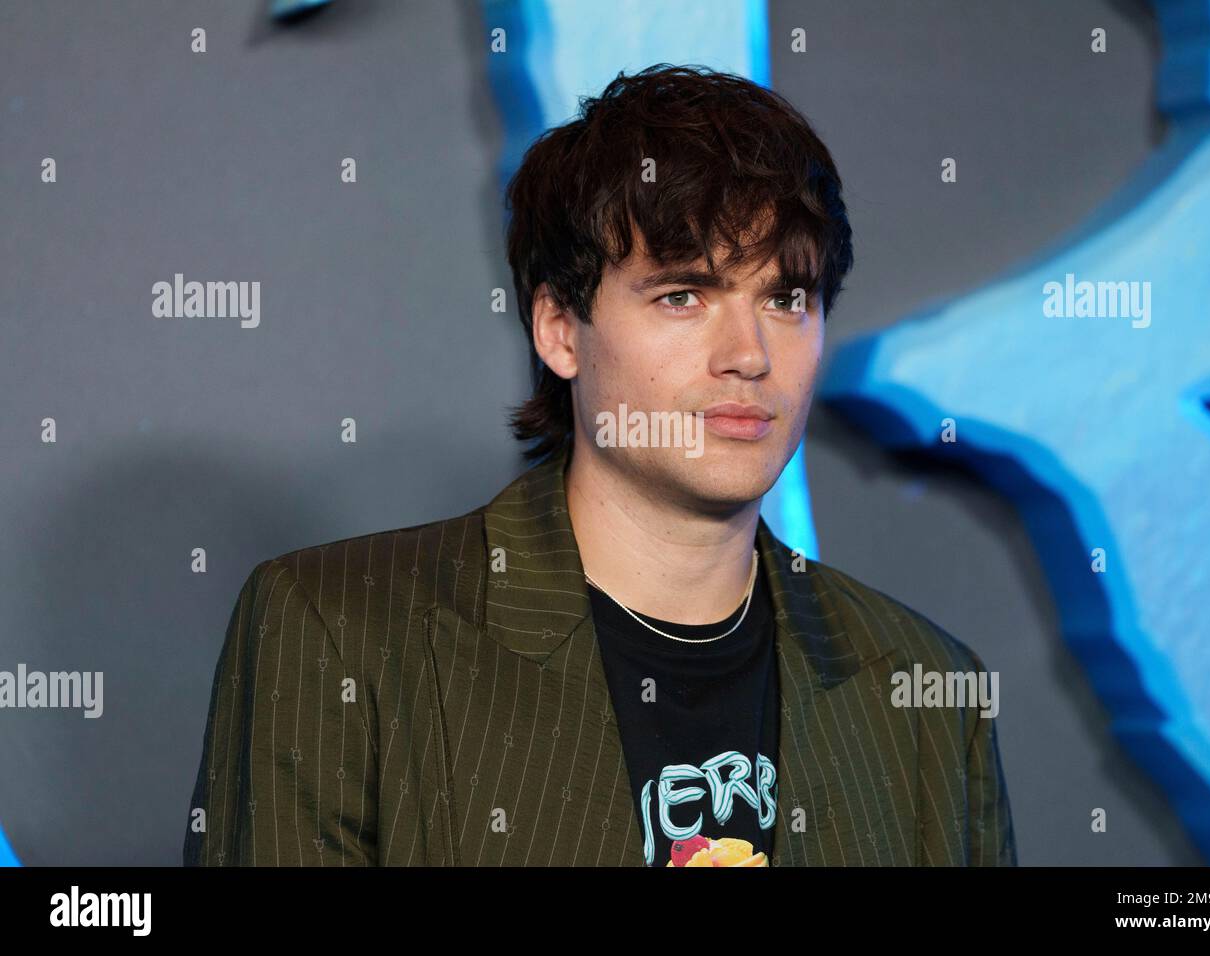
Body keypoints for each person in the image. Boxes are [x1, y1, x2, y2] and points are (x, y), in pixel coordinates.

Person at [183, 63, 1016, 867]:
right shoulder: (342, 635)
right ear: (558, 330)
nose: (749, 356)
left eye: (785, 299)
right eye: (683, 295)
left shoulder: (927, 689)